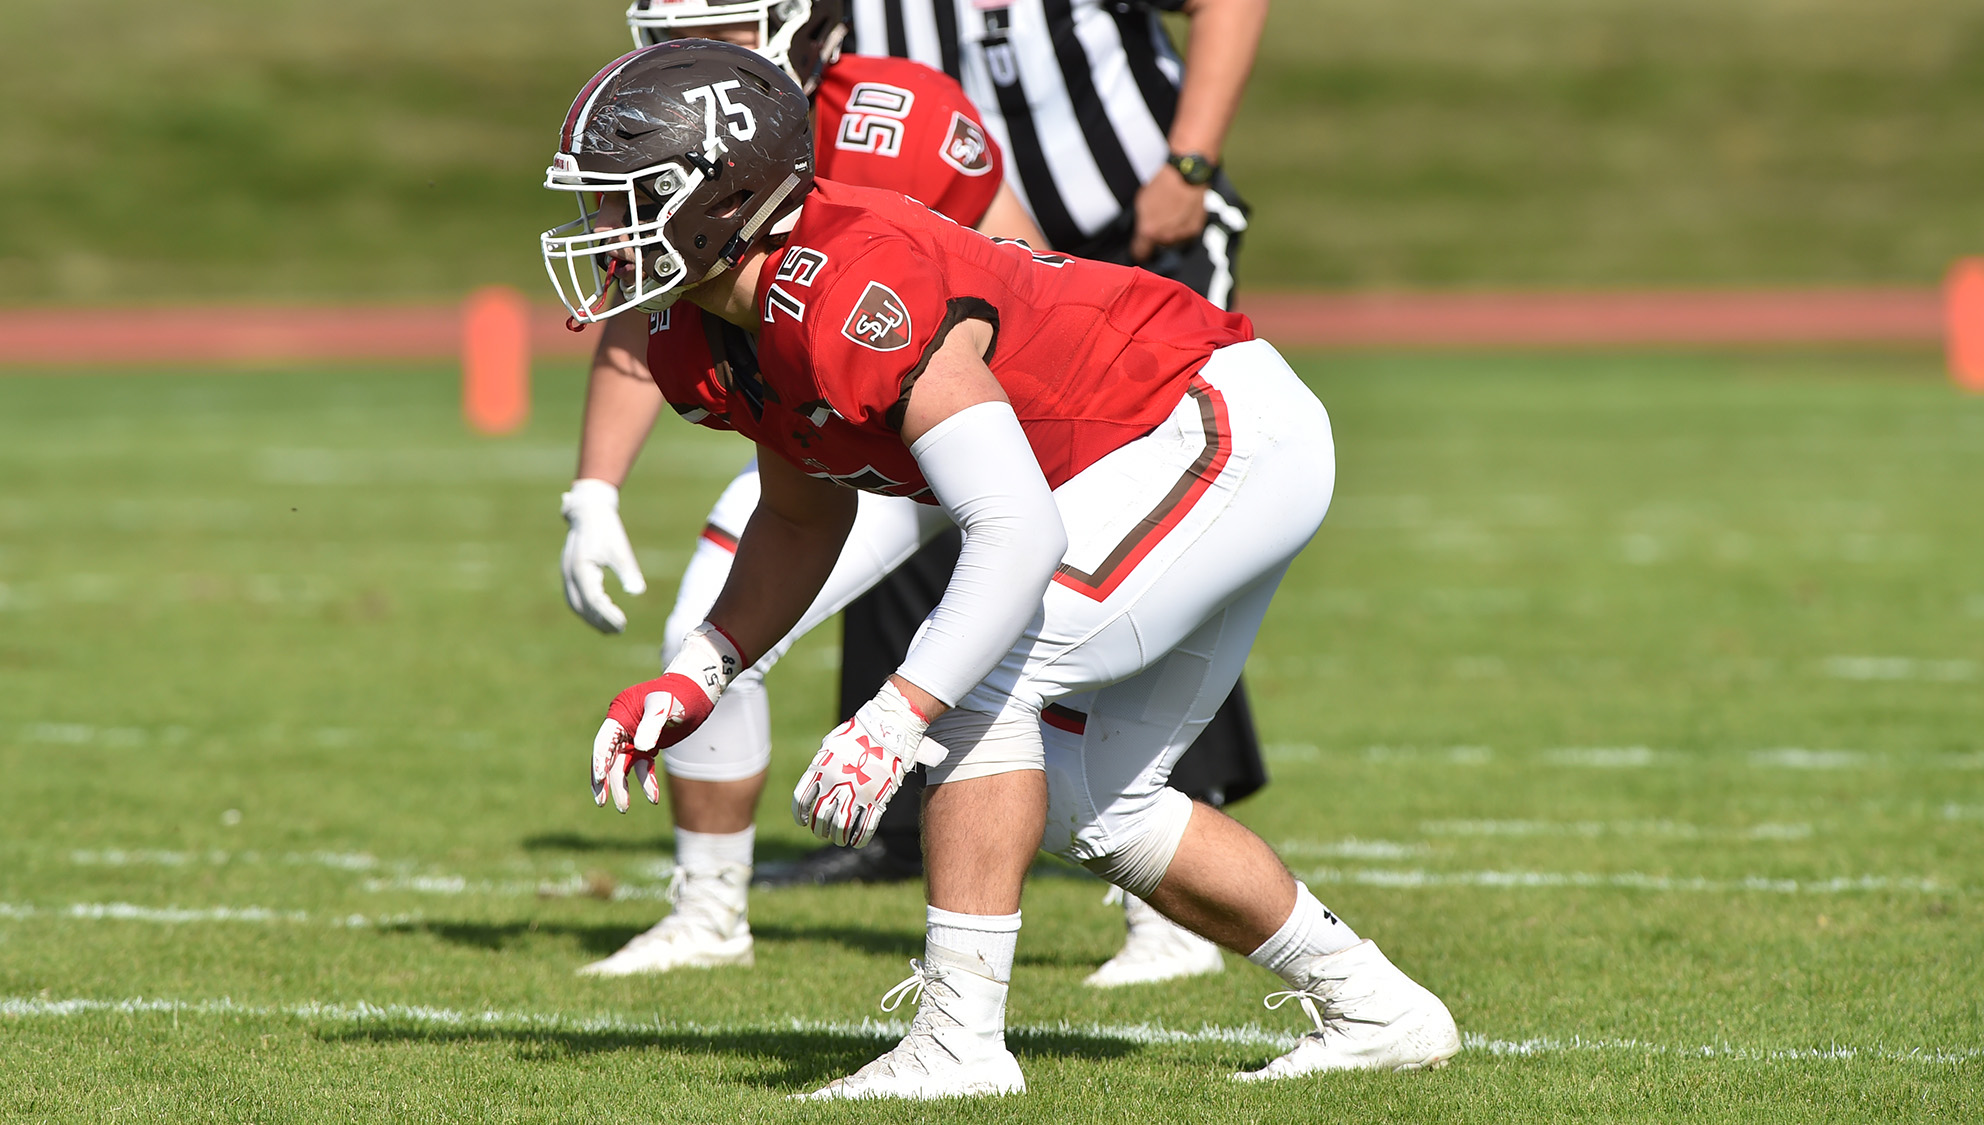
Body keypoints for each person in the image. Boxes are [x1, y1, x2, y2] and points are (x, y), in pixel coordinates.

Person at [546, 40, 1460, 1097]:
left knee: (984, 688)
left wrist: (894, 715)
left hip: (1202, 422)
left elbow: (1015, 533)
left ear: (723, 195)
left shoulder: (845, 284)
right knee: (1098, 805)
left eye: (625, 201)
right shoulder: (703, 332)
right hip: (1148, 451)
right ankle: (1375, 1005)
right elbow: (801, 518)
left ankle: (957, 1046)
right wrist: (696, 673)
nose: (601, 233)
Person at [556, 0, 1042, 977]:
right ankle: (707, 911)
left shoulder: (896, 116)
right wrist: (594, 492)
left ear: (797, 22)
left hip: (977, 422)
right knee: (703, 631)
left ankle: (1158, 919)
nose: (675, 57)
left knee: (1052, 670)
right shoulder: (665, 133)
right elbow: (640, 300)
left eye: (718, 29)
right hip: (838, 446)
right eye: (658, 35)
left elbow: (1023, 269)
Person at [834, 0, 1274, 985]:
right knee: (933, 496)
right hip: (976, 265)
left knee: (1135, 533)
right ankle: (907, 826)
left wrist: (1189, 162)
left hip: (1132, 238)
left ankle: (1159, 874)